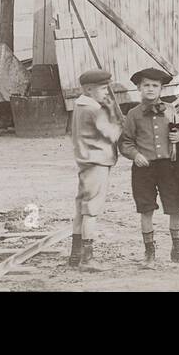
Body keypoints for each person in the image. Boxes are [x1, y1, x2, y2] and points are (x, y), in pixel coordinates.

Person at [119, 67, 179, 267]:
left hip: (169, 167)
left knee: (175, 207)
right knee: (146, 209)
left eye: (155, 86)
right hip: (144, 169)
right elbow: (125, 142)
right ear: (138, 88)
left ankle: (177, 250)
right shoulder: (133, 114)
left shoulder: (170, 110)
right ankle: (149, 253)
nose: (150, 89)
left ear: (161, 89)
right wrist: (135, 155)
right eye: (146, 86)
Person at [69, 68, 123, 270]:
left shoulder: (80, 105)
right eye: (103, 88)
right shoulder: (94, 109)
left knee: (81, 209)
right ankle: (87, 259)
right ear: (89, 89)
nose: (107, 92)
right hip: (97, 162)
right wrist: (118, 120)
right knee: (91, 210)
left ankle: (75, 256)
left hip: (85, 163)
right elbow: (112, 134)